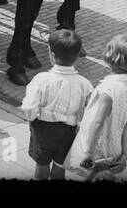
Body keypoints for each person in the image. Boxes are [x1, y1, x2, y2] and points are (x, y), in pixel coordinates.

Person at [64, 34, 127, 181]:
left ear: (111, 57)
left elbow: (98, 122)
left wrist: (88, 152)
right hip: (115, 149)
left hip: (97, 149)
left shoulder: (108, 89)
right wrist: (125, 154)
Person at [20, 29, 92, 181]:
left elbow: (28, 107)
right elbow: (89, 109)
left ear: (52, 55)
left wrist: (32, 118)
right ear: (78, 56)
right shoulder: (84, 84)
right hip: (68, 131)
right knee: (60, 165)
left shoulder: (41, 79)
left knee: (42, 164)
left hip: (42, 129)